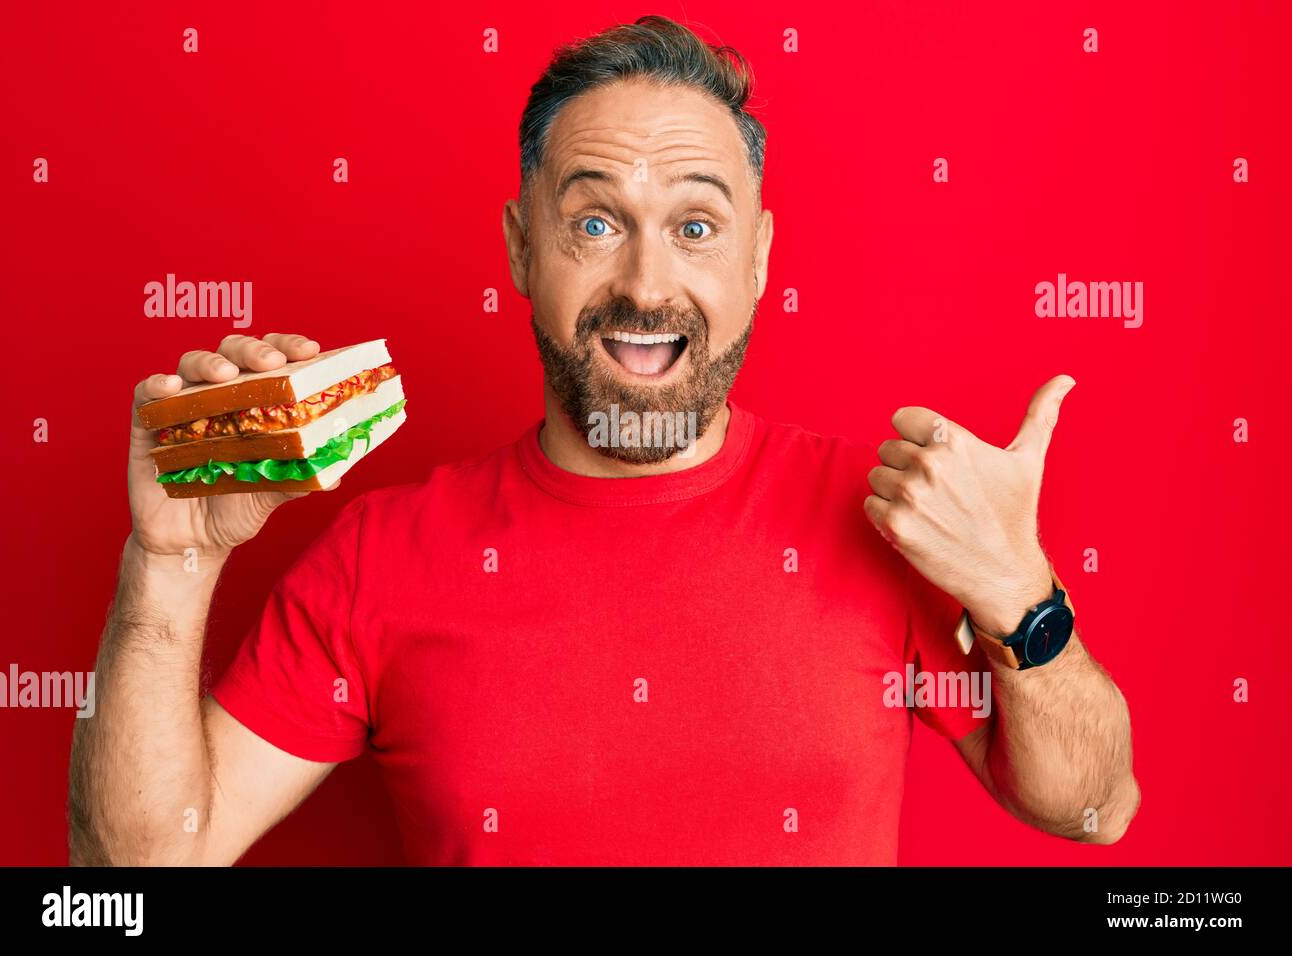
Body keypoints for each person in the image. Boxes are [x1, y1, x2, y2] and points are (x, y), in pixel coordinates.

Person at [69, 15, 1139, 865]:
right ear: (519, 247)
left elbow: (1092, 809)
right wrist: (171, 559)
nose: (642, 283)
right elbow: (135, 872)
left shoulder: (888, 516)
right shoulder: (378, 556)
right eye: (593, 222)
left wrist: (1020, 591)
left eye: (695, 225)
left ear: (759, 257)